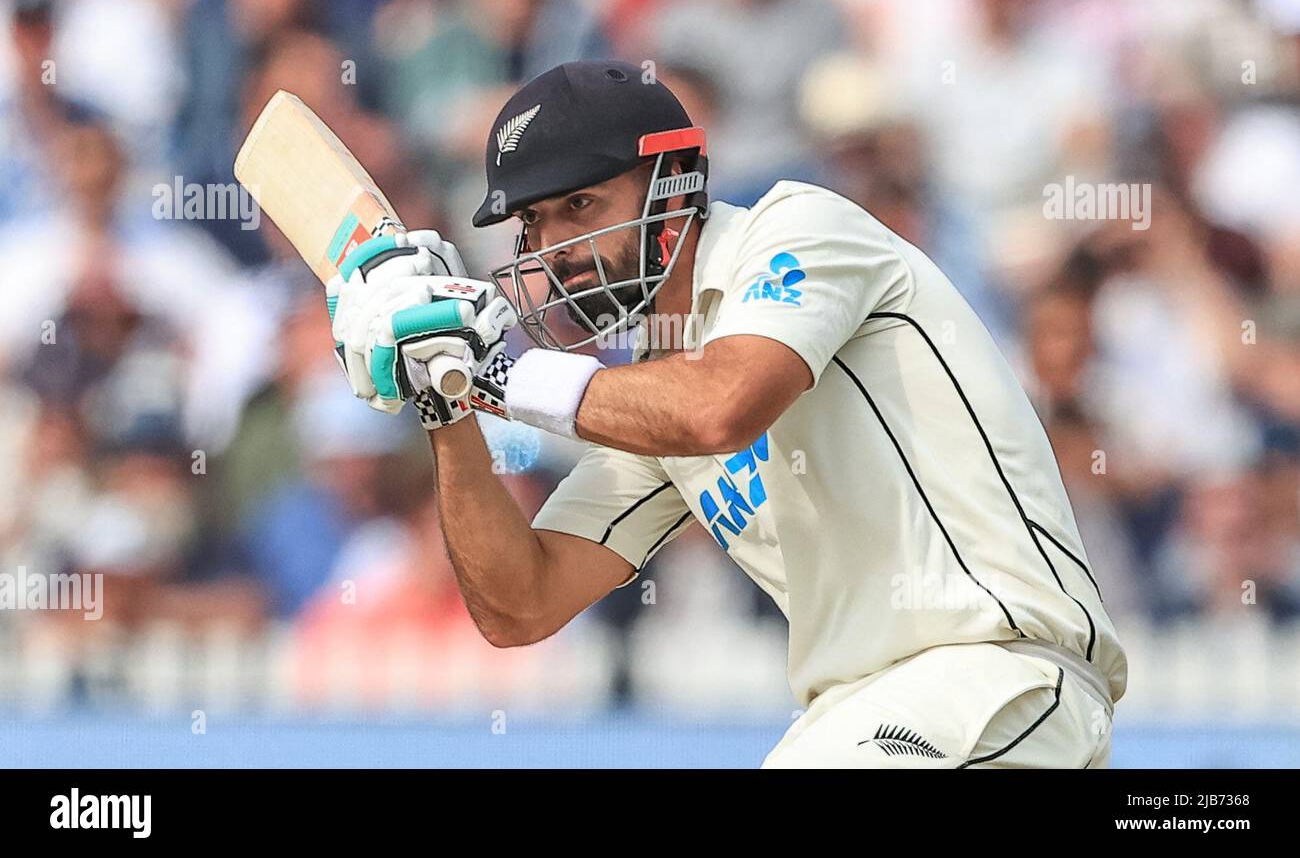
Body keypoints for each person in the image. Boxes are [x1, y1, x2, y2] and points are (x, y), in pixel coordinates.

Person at [326, 60, 1127, 768]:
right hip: (859, 716)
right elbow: (520, 604)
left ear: (673, 184)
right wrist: (446, 399)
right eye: (534, 221)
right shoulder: (649, 399)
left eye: (579, 203)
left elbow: (722, 409)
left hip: (995, 674)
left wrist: (495, 368)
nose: (555, 243)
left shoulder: (804, 230)